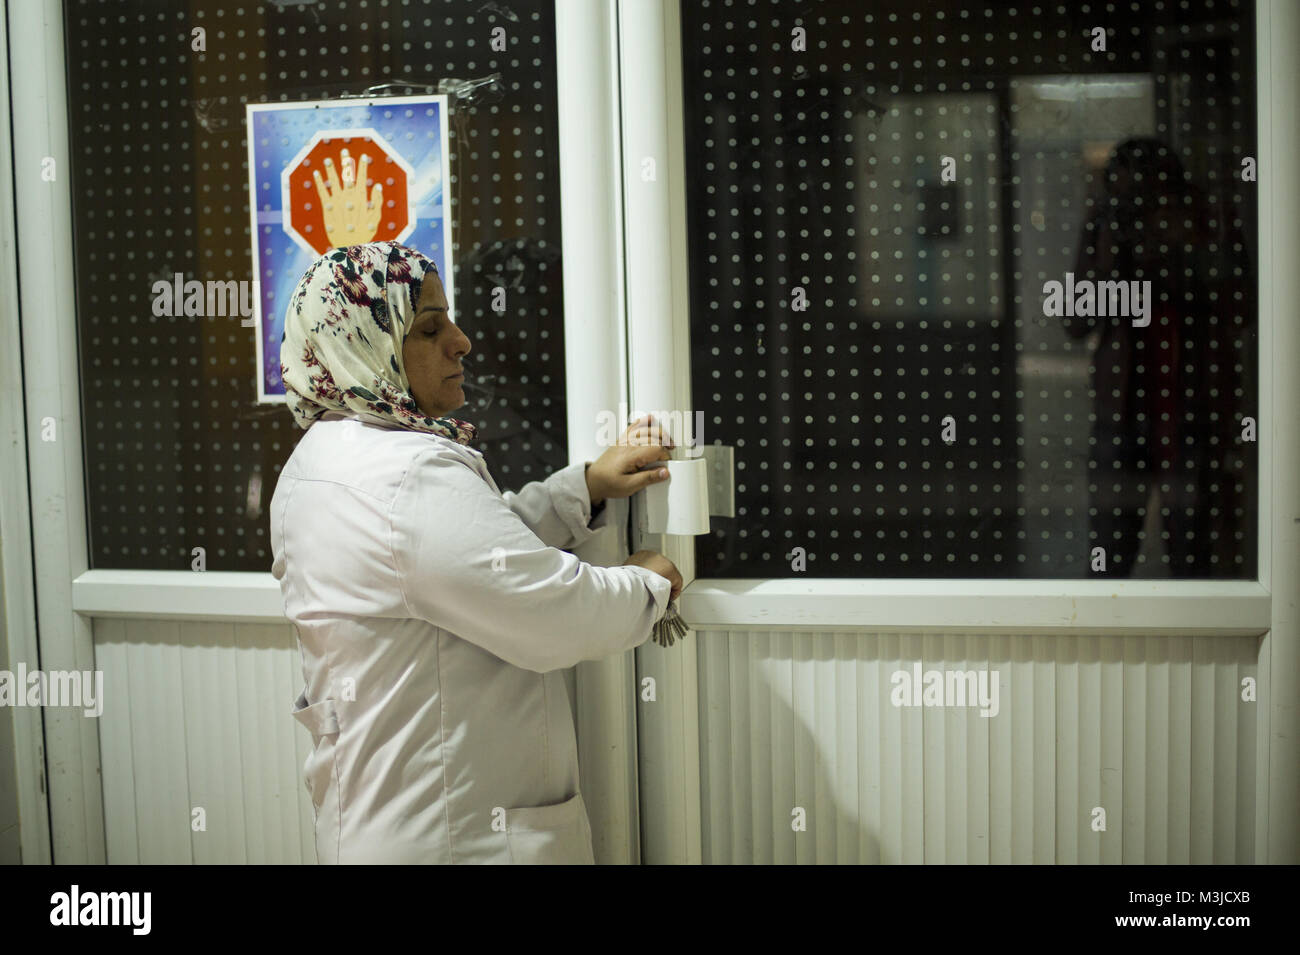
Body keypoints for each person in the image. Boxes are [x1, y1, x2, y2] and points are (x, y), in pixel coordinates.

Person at [270, 241, 683, 863]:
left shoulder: (320, 463)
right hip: (452, 835)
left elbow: (471, 557)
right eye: (430, 328)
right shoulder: (404, 476)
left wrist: (586, 487)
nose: (461, 342)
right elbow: (550, 613)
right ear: (363, 342)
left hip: (384, 824)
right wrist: (649, 583)